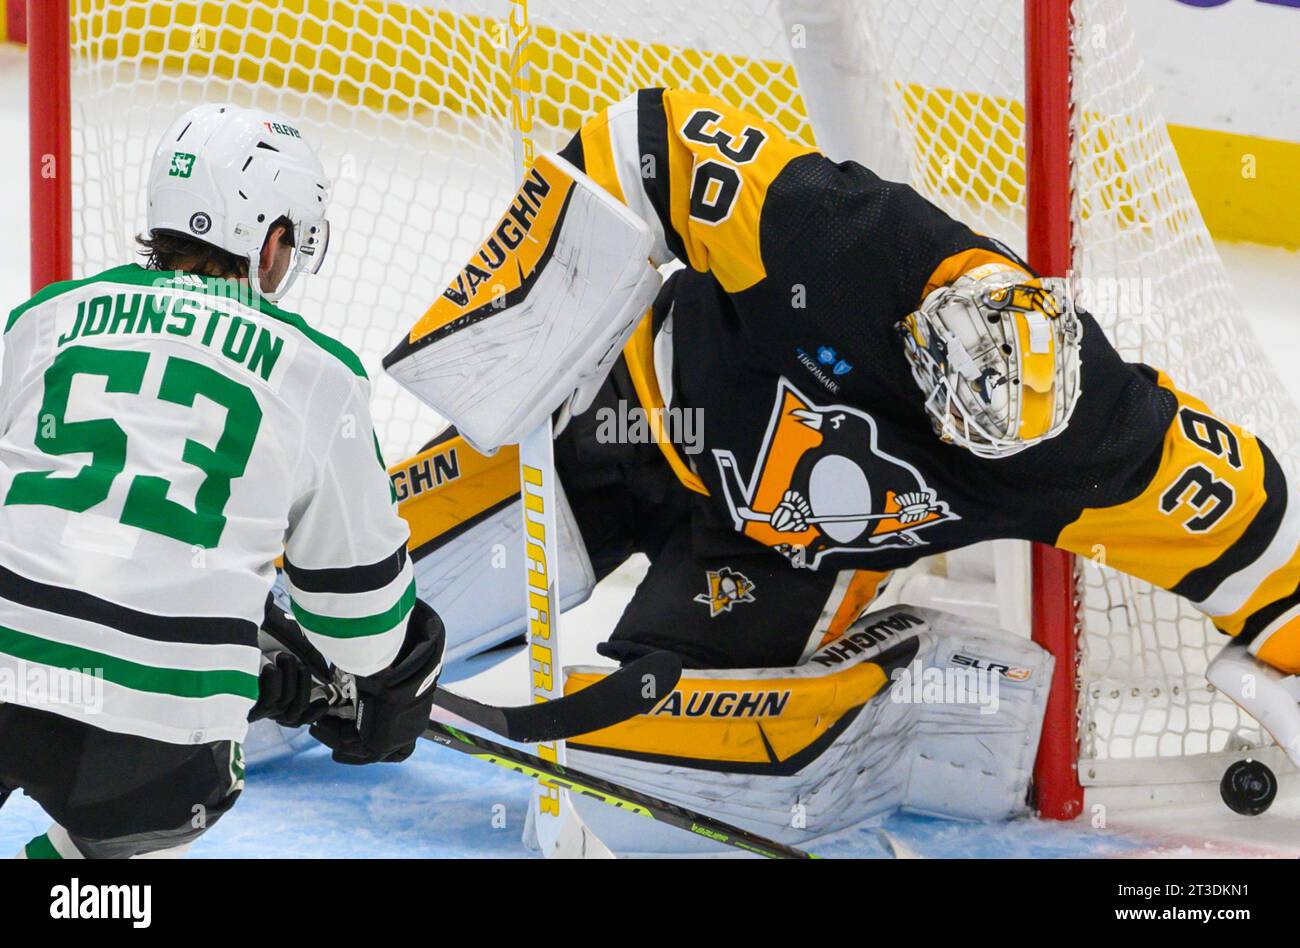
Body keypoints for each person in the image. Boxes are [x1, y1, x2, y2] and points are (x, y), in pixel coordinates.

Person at [386, 88, 1300, 843]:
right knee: (363, 593)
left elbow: (1263, 543)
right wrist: (509, 333)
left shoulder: (1098, 438)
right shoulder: (849, 242)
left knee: (642, 798)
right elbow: (643, 139)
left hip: (774, 558)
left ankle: (907, 687)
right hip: (629, 414)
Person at [0, 103, 442, 859]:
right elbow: (365, 636)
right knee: (122, 834)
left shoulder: (44, 318)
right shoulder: (318, 375)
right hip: (154, 742)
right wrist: (392, 674)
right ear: (268, 240)